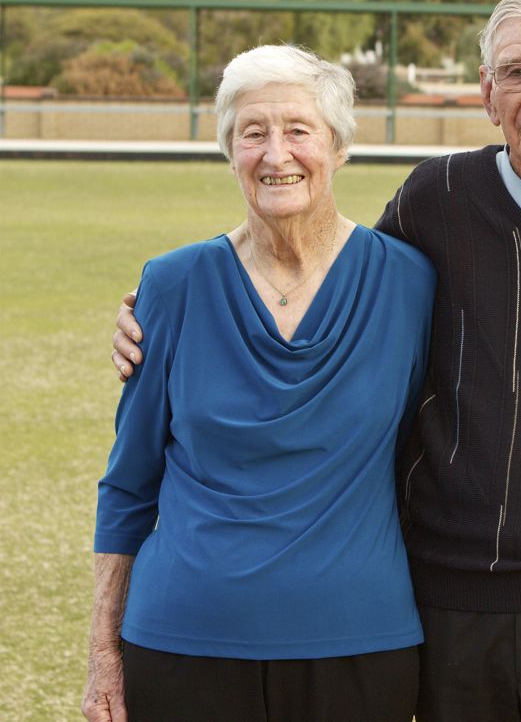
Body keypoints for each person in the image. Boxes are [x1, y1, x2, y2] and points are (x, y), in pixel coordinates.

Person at [113, 0, 521, 721]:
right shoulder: (435, 200)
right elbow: (330, 282)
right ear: (488, 92)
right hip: (452, 602)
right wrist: (159, 318)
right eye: (517, 72)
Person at [86, 45, 435, 722]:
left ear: (337, 147)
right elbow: (128, 485)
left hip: (361, 645)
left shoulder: (410, 282)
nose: (277, 153)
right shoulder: (173, 284)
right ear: (229, 151)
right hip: (182, 642)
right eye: (253, 132)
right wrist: (103, 654)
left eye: (298, 129)